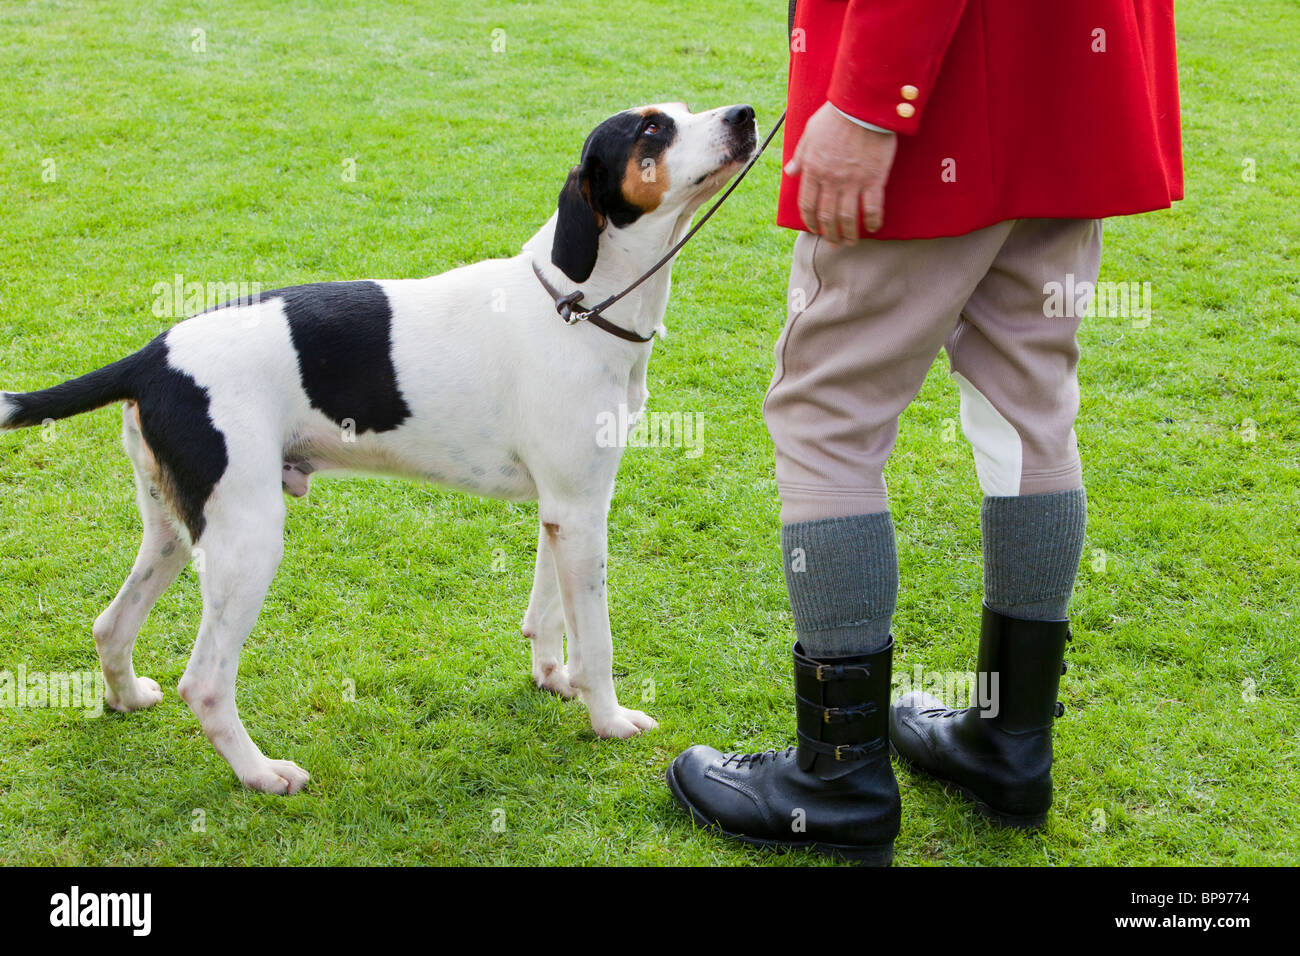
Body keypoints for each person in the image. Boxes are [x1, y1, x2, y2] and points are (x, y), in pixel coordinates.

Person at [666, 0, 1183, 864]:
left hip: (940, 84)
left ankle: (838, 780)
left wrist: (871, 101)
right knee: (1029, 408)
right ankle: (1008, 745)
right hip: (1069, 71)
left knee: (828, 415)